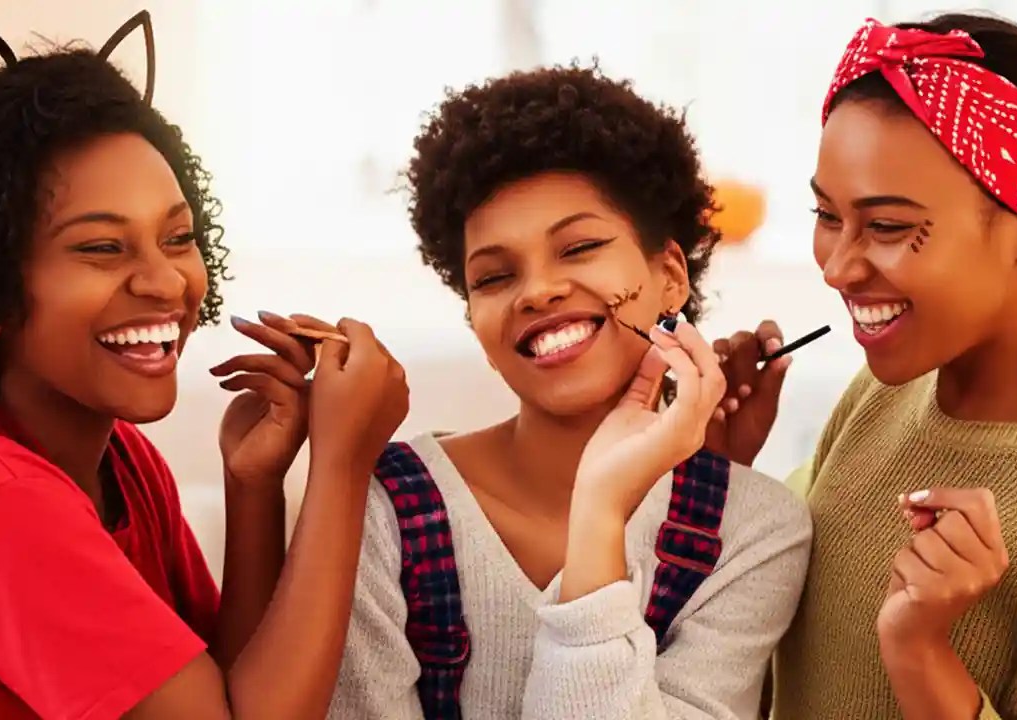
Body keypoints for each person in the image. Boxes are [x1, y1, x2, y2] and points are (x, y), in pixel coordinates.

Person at [0, 14, 408, 720]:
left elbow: (230, 690)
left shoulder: (116, 458)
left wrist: (253, 486)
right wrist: (341, 464)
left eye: (178, 237)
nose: (168, 283)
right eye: (101, 249)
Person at [326, 64, 812, 720]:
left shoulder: (756, 531)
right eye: (494, 277)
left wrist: (599, 514)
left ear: (670, 276)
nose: (537, 291)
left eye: (579, 247)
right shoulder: (385, 511)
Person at [717, 13, 1017, 720]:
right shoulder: (881, 397)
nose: (838, 266)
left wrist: (921, 655)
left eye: (887, 226)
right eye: (827, 215)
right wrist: (718, 480)